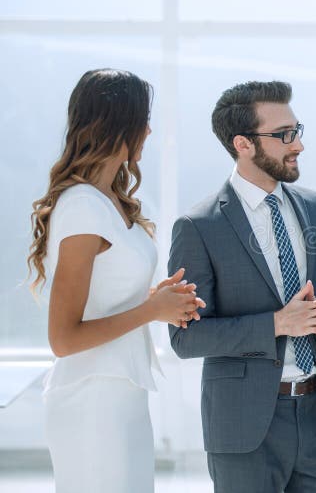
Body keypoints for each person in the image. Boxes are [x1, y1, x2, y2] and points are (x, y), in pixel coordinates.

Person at [168, 80, 316, 493]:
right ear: (243, 144)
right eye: (283, 135)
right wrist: (277, 323)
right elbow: (186, 338)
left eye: (297, 130)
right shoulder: (198, 227)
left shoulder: (315, 207)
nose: (298, 145)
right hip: (243, 425)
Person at [27, 68, 204, 493]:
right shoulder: (82, 207)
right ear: (117, 124)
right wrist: (151, 310)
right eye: (142, 118)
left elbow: (103, 297)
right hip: (91, 403)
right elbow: (63, 338)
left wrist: (154, 299)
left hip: (120, 395)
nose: (148, 129)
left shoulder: (109, 201)